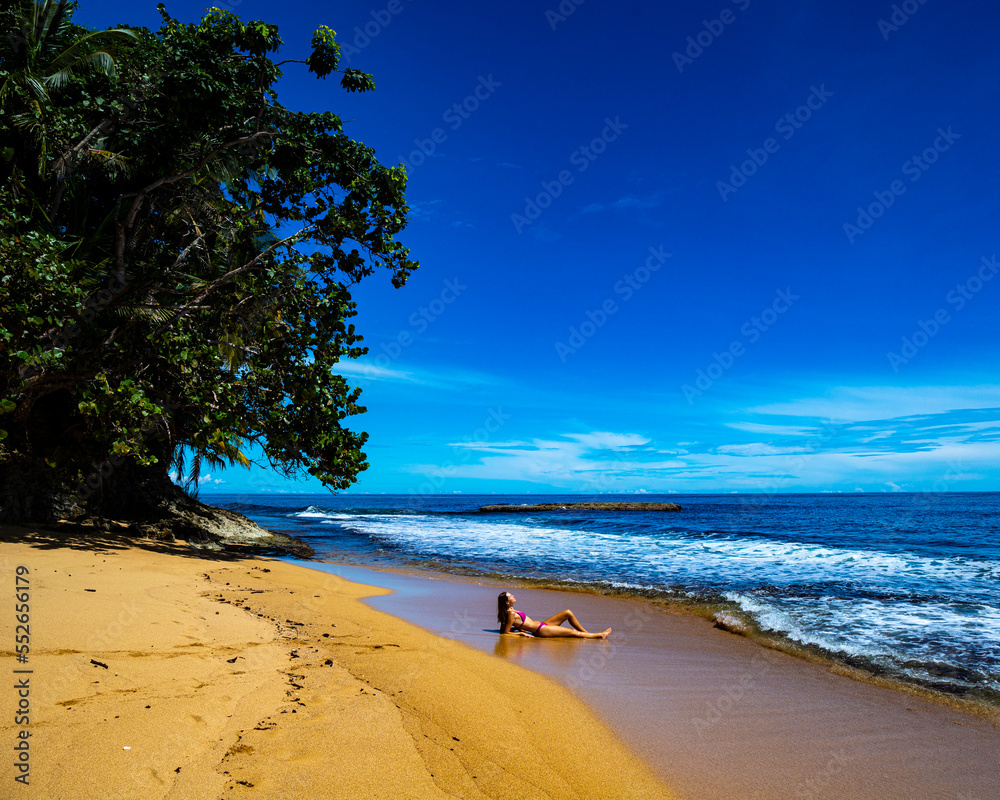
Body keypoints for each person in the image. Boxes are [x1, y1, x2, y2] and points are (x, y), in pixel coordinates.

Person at [497, 591, 611, 639]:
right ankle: (599, 635)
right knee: (572, 632)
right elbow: (505, 633)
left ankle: (587, 634)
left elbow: (507, 627)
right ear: (507, 602)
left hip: (542, 625)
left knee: (567, 613)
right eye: (510, 596)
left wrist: (518, 628)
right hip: (541, 630)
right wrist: (521, 633)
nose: (513, 596)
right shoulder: (511, 613)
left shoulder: (511, 612)